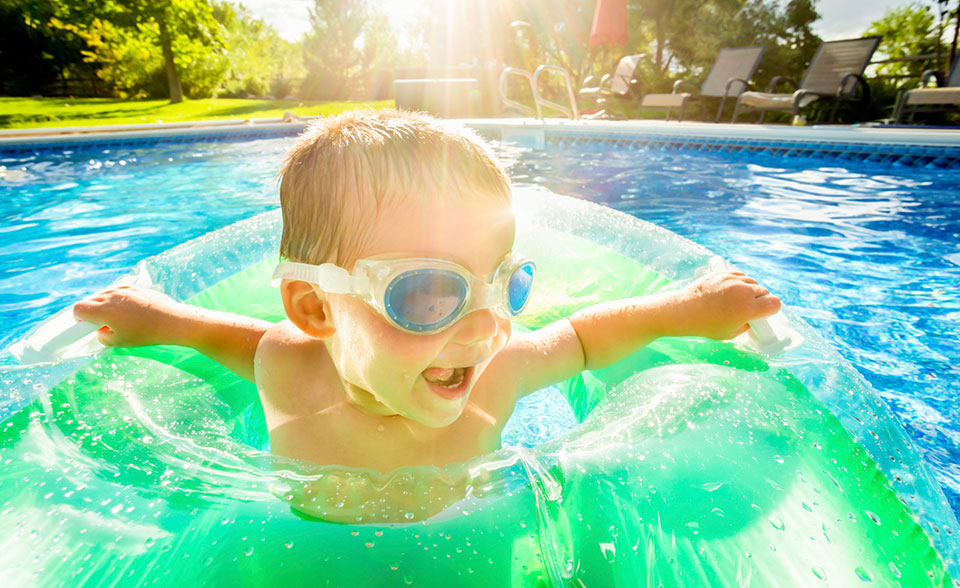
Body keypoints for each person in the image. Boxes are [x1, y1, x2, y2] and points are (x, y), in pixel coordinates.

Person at [73, 109, 781, 521]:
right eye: (427, 294)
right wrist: (152, 314)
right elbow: (203, 332)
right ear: (317, 308)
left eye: (506, 286)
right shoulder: (287, 363)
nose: (484, 328)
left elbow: (586, 337)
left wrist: (687, 308)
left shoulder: (495, 373)